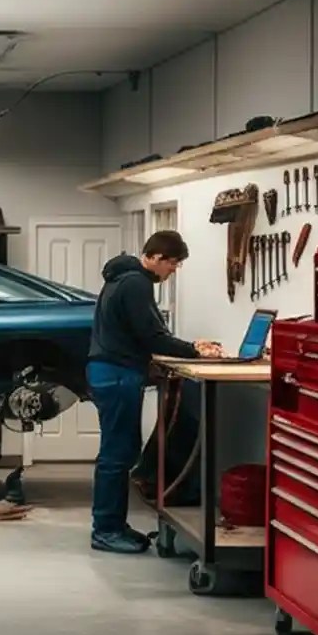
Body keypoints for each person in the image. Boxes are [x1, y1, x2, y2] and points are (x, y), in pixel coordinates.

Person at [86, 230, 220, 554]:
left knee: (121, 451)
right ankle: (105, 530)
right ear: (158, 257)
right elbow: (152, 336)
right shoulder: (136, 283)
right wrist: (195, 351)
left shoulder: (120, 277)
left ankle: (113, 524)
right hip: (117, 376)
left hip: (110, 372)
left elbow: (138, 334)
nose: (171, 272)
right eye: (172, 265)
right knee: (117, 455)